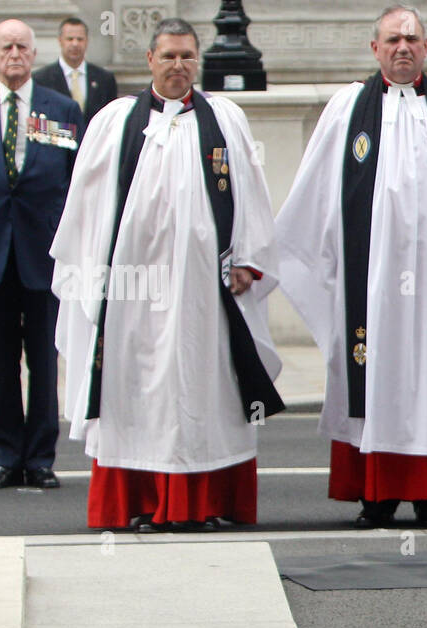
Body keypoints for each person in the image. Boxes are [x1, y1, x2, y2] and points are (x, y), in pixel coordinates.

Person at [50, 17, 283, 532]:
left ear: (196, 62)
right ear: (150, 60)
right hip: (131, 292)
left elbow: (250, 194)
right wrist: (88, 273)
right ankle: (138, 502)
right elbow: (84, 206)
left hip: (204, 290)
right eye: (169, 56)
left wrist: (246, 258)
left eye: (187, 56)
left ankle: (202, 503)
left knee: (205, 389)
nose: (179, 66)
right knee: (135, 392)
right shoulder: (114, 120)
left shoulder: (225, 118)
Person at [276, 5, 427, 528]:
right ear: (374, 49)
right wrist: (299, 255)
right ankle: (375, 493)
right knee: (374, 375)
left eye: (411, 39)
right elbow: (313, 189)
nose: (402, 47)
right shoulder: (347, 107)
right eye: (392, 39)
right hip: (370, 283)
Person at [0, 19, 83, 490]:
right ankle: (5, 455)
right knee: (2, 360)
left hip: (44, 254)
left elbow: (74, 183)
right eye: (6, 47)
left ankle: (41, 458)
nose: (15, 55)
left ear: (34, 53)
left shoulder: (60, 110)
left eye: (23, 47)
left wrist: (76, 250)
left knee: (44, 359)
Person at [33, 17, 119, 125]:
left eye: (80, 39)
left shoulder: (105, 79)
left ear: (87, 41)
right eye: (70, 39)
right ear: (60, 41)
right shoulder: (41, 79)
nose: (75, 44)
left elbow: (111, 119)